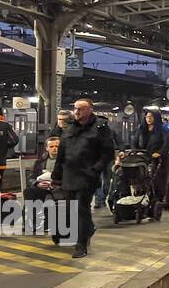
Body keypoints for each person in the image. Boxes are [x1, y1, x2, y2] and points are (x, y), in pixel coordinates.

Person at [58, 98, 116, 258]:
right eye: (75, 108)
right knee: (71, 209)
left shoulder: (100, 128)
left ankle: (80, 244)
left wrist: (95, 170)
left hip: (87, 176)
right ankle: (88, 229)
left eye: (81, 109)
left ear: (90, 110)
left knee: (81, 209)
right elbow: (61, 152)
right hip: (69, 175)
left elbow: (107, 153)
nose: (77, 112)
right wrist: (57, 175)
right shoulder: (69, 128)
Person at [22, 135, 62, 239]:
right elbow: (31, 177)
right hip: (42, 187)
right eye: (52, 146)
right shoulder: (40, 162)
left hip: (58, 189)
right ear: (47, 148)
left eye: (57, 146)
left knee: (50, 200)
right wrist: (37, 183)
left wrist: (55, 183)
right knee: (29, 191)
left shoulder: (66, 161)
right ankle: (31, 223)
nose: (54, 148)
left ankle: (49, 224)